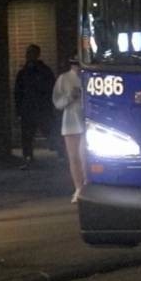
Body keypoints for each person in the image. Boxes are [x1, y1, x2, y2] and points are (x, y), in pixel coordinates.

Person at [14, 44, 55, 169]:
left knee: (48, 131)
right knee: (27, 136)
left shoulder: (43, 71)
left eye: (30, 53)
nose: (27, 55)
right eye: (27, 53)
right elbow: (18, 93)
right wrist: (19, 110)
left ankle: (62, 154)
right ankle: (28, 157)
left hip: (40, 108)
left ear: (37, 55)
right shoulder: (23, 72)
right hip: (29, 109)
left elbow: (51, 89)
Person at [53, 54, 85, 203]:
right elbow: (57, 102)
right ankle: (78, 187)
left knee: (86, 156)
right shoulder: (64, 78)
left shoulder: (89, 77)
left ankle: (88, 184)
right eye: (75, 64)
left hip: (87, 121)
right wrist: (70, 97)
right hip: (71, 120)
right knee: (74, 157)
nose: (77, 67)